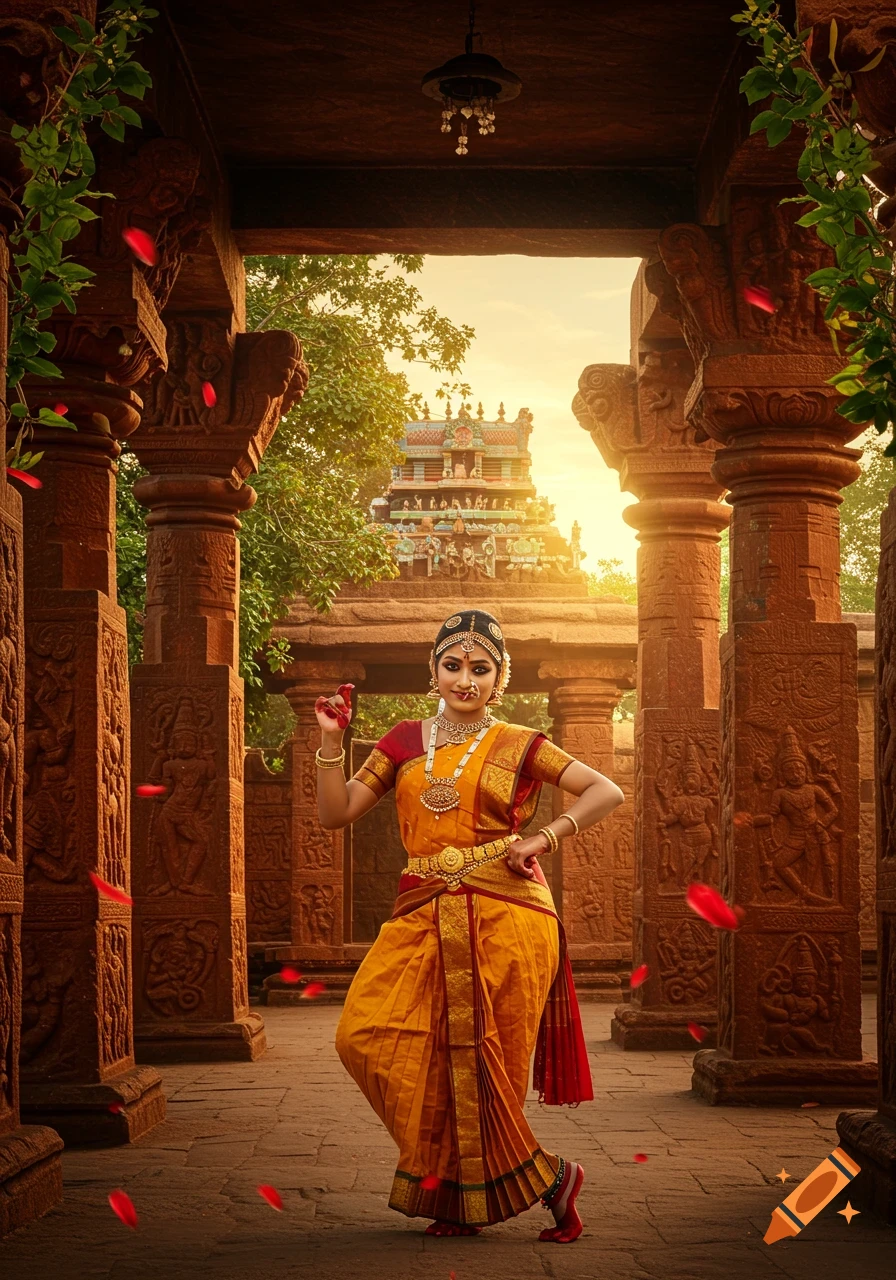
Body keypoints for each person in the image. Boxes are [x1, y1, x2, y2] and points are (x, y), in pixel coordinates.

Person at [314, 609, 624, 1242]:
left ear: (499, 677)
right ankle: (551, 1177)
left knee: (485, 1062)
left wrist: (543, 836)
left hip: (508, 913)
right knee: (364, 1034)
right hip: (423, 907)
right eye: (453, 666)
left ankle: (461, 1200)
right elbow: (336, 813)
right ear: (433, 672)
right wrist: (327, 743)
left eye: (481, 668)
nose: (466, 679)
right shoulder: (402, 740)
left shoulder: (521, 743)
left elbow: (604, 791)